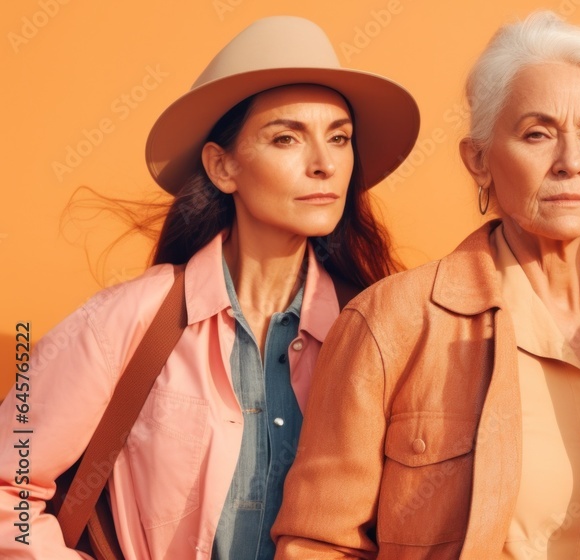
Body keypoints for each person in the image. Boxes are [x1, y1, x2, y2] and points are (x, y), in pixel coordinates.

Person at [0, 15, 419, 559]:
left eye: (340, 138)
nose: (324, 164)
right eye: (287, 137)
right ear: (223, 167)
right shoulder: (131, 318)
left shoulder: (377, 333)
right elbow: (11, 483)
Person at [271, 11, 580, 559]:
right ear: (478, 160)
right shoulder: (391, 324)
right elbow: (319, 545)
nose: (571, 162)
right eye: (537, 134)